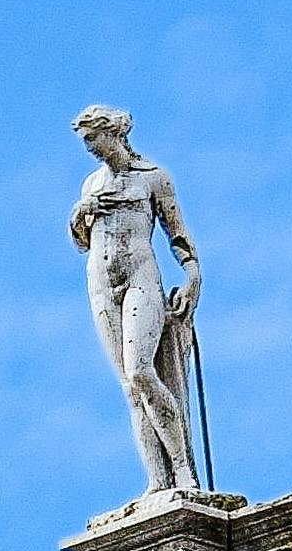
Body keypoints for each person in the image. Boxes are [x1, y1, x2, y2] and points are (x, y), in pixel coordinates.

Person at [66, 107, 209, 502]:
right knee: (130, 387)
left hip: (140, 276)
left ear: (112, 133)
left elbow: (177, 233)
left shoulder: (154, 178)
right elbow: (81, 241)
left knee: (143, 372)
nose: (90, 149)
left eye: (93, 139)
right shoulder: (90, 184)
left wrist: (192, 276)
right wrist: (82, 212)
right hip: (100, 282)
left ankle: (183, 469)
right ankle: (158, 481)